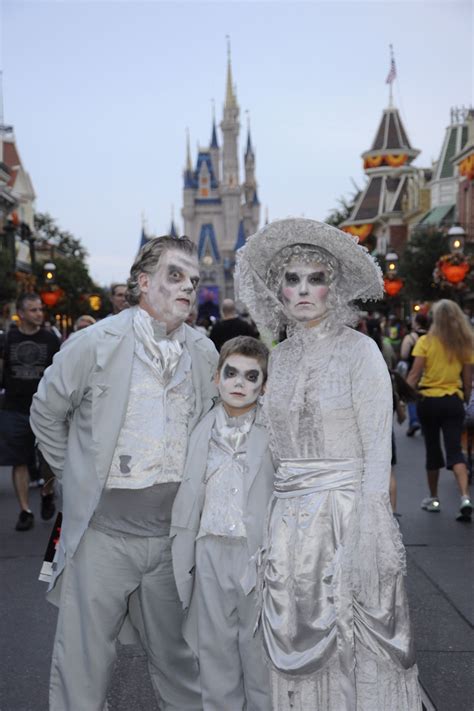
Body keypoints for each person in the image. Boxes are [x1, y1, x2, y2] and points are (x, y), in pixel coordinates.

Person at [235, 218, 421, 710]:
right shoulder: (282, 356)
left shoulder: (360, 352)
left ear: (332, 288)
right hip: (288, 527)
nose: (301, 289)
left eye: (314, 278)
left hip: (347, 518)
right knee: (292, 635)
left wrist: (370, 531)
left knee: (354, 639)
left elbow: (378, 451)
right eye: (291, 278)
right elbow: (273, 446)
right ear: (277, 288)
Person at [30, 236, 218, 711]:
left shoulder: (202, 352)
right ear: (143, 282)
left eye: (193, 281)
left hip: (171, 538)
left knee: (180, 661)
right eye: (175, 276)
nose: (186, 288)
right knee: (84, 664)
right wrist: (75, 478)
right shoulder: (94, 344)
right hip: (104, 536)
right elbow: (46, 413)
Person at [171, 336, 274, 711]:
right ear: (216, 377)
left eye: (251, 377)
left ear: (264, 386)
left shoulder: (274, 435)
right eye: (231, 373)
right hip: (208, 549)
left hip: (257, 554)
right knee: (214, 650)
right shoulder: (198, 429)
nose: (239, 383)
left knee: (260, 651)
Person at [407, 299, 473, 521]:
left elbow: (415, 375)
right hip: (453, 400)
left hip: (429, 401)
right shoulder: (464, 344)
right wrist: (463, 400)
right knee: (455, 451)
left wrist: (402, 397)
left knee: (433, 449)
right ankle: (464, 497)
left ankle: (434, 498)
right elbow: (467, 380)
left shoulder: (425, 341)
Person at [0, 293, 60, 531]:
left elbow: (59, 374)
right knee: (19, 460)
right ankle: (25, 510)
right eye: (34, 310)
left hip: (45, 408)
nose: (39, 314)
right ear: (21, 313)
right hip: (14, 408)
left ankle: (47, 492)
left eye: (40, 309)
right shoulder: (7, 339)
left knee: (48, 460)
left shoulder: (50, 339)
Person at [400, 313, 429, 436]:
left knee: (411, 396)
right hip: (428, 371)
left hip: (413, 369)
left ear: (416, 322)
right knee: (424, 396)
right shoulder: (431, 336)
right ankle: (425, 423)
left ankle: (414, 420)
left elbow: (404, 355)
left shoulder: (410, 338)